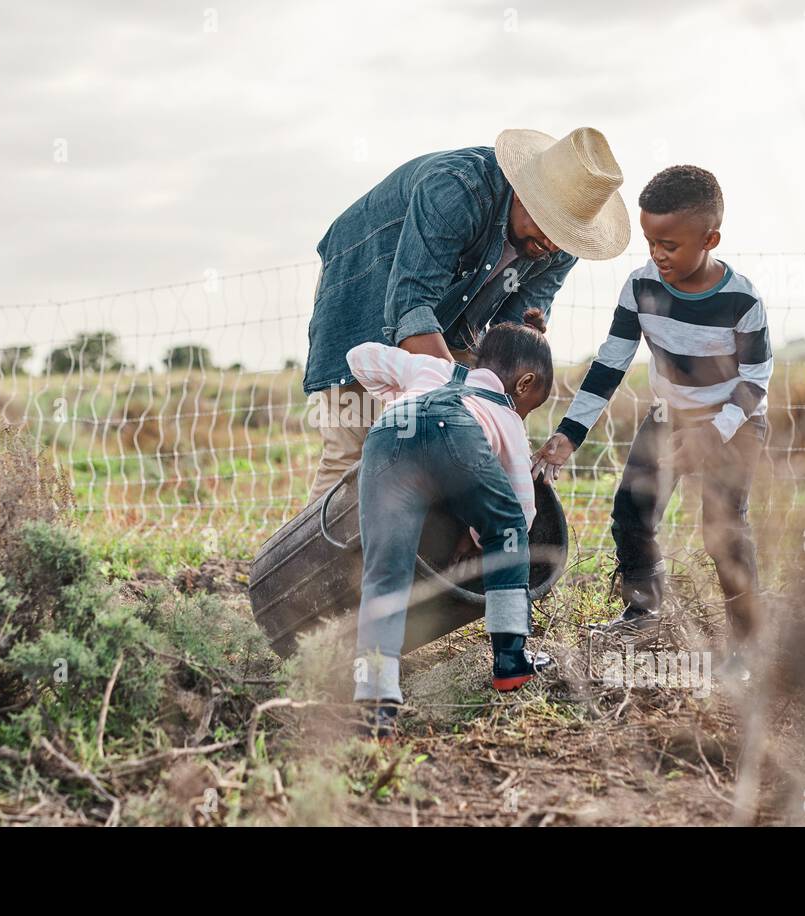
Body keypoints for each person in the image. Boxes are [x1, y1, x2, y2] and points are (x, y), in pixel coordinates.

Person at [531, 165, 773, 680]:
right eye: (649, 241)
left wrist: (712, 434)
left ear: (710, 240)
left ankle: (748, 644)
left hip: (734, 420)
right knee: (631, 512)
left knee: (722, 532)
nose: (657, 254)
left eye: (670, 244)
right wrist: (569, 435)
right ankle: (645, 610)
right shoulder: (640, 287)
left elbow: (756, 380)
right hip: (670, 415)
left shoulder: (743, 299)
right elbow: (610, 364)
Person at [302, 127, 630, 504]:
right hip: (363, 291)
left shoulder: (558, 248)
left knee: (438, 457)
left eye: (566, 233)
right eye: (550, 225)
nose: (553, 244)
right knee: (353, 452)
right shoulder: (457, 189)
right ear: (525, 193)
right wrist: (463, 405)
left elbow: (510, 341)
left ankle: (416, 561)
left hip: (452, 323)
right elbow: (411, 303)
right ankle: (301, 564)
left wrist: (499, 426)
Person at [346, 309, 555, 739]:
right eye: (530, 407)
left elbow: (359, 356)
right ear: (525, 385)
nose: (524, 414)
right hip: (458, 433)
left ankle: (375, 702)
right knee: (510, 528)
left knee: (385, 571)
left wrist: (394, 393)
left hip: (388, 437)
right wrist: (480, 534)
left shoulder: (432, 368)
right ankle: (511, 660)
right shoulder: (507, 419)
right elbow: (521, 510)